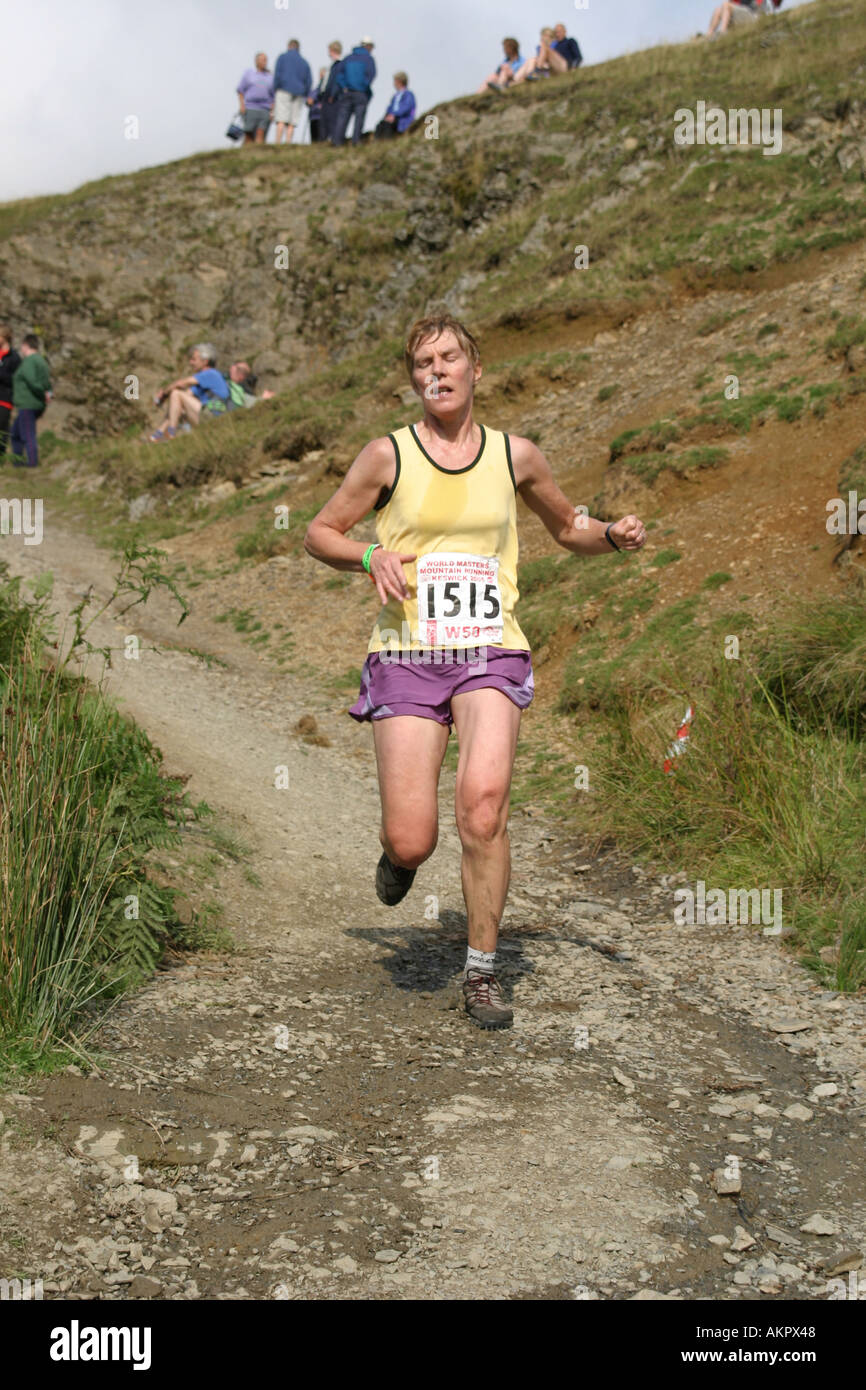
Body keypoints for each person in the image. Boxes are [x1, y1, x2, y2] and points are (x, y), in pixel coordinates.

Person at [303, 314, 646, 1029]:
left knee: (483, 807)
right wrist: (371, 556)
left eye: (449, 356)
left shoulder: (515, 455)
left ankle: (482, 973)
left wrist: (609, 535)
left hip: (490, 648)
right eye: (424, 362)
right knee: (413, 836)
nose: (438, 370)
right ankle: (397, 860)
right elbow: (319, 532)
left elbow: (567, 526)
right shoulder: (385, 456)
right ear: (413, 380)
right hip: (407, 654)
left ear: (475, 367)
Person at [150, 344, 230, 441]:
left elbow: (179, 384)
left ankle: (170, 435)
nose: (190, 362)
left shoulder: (211, 374)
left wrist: (163, 395)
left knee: (176, 393)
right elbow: (178, 404)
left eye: (194, 359)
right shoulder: (201, 383)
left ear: (205, 361)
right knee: (177, 403)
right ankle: (157, 436)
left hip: (213, 416)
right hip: (206, 415)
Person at [10, 334, 52, 469]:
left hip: (28, 403)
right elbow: (46, 382)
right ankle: (17, 462)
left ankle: (32, 463)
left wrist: (43, 393)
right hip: (33, 403)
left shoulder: (30, 361)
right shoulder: (41, 361)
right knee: (16, 433)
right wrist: (48, 393)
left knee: (27, 434)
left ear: (25, 345)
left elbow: (32, 381)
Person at [332, 37, 376, 146]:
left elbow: (339, 74)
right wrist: (363, 86)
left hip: (347, 93)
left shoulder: (348, 58)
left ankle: (337, 142)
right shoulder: (369, 59)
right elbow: (371, 75)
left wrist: (344, 86)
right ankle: (356, 141)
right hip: (360, 93)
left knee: (342, 117)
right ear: (368, 46)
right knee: (359, 118)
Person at [273, 39, 312, 145]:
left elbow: (277, 75)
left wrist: (275, 89)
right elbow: (308, 81)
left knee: (281, 118)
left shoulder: (282, 58)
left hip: (283, 90)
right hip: (299, 92)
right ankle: (288, 143)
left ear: (289, 46)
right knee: (292, 121)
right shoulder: (304, 63)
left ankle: (278, 143)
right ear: (298, 48)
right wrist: (306, 93)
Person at [310, 41, 344, 144]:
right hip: (325, 97)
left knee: (331, 121)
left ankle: (333, 140)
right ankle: (323, 141)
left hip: (331, 98)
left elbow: (337, 81)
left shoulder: (339, 64)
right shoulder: (332, 65)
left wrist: (333, 94)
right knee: (323, 121)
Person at [236, 53, 274, 145]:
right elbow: (240, 90)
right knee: (248, 134)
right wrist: (242, 106)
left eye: (266, 60)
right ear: (256, 61)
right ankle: (246, 154)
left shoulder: (270, 77)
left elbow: (273, 96)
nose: (264, 62)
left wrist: (272, 111)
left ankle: (258, 154)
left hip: (265, 109)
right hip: (250, 108)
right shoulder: (249, 74)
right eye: (262, 60)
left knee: (260, 133)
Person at [0, 324, 21, 458]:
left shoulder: (14, 357)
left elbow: (16, 380)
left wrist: (1, 374)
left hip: (4, 399)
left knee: (2, 430)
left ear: (4, 337)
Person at [375, 72, 416, 139]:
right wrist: (387, 115)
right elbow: (390, 108)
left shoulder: (408, 94)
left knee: (388, 126)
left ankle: (387, 143)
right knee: (380, 125)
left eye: (395, 81)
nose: (394, 83)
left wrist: (394, 115)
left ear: (400, 82)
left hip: (402, 119)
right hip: (392, 118)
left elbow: (406, 107)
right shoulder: (395, 96)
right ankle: (377, 145)